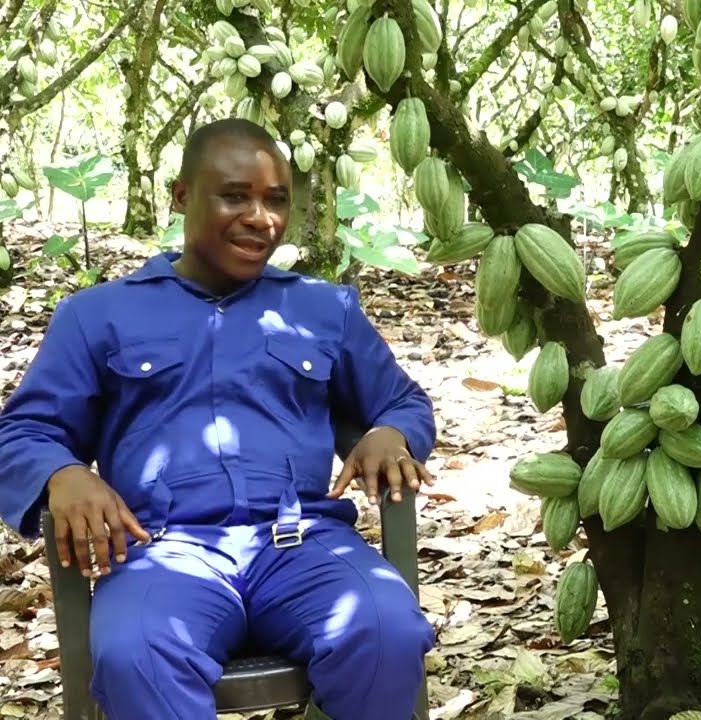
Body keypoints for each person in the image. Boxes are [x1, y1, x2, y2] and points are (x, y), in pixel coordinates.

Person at [0, 118, 438, 720]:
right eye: (235, 195)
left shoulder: (320, 308)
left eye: (276, 199)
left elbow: (402, 401)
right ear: (182, 196)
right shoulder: (98, 315)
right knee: (137, 654)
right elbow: (23, 431)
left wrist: (392, 432)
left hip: (303, 544)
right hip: (165, 551)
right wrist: (62, 474)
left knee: (387, 627)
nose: (261, 218)